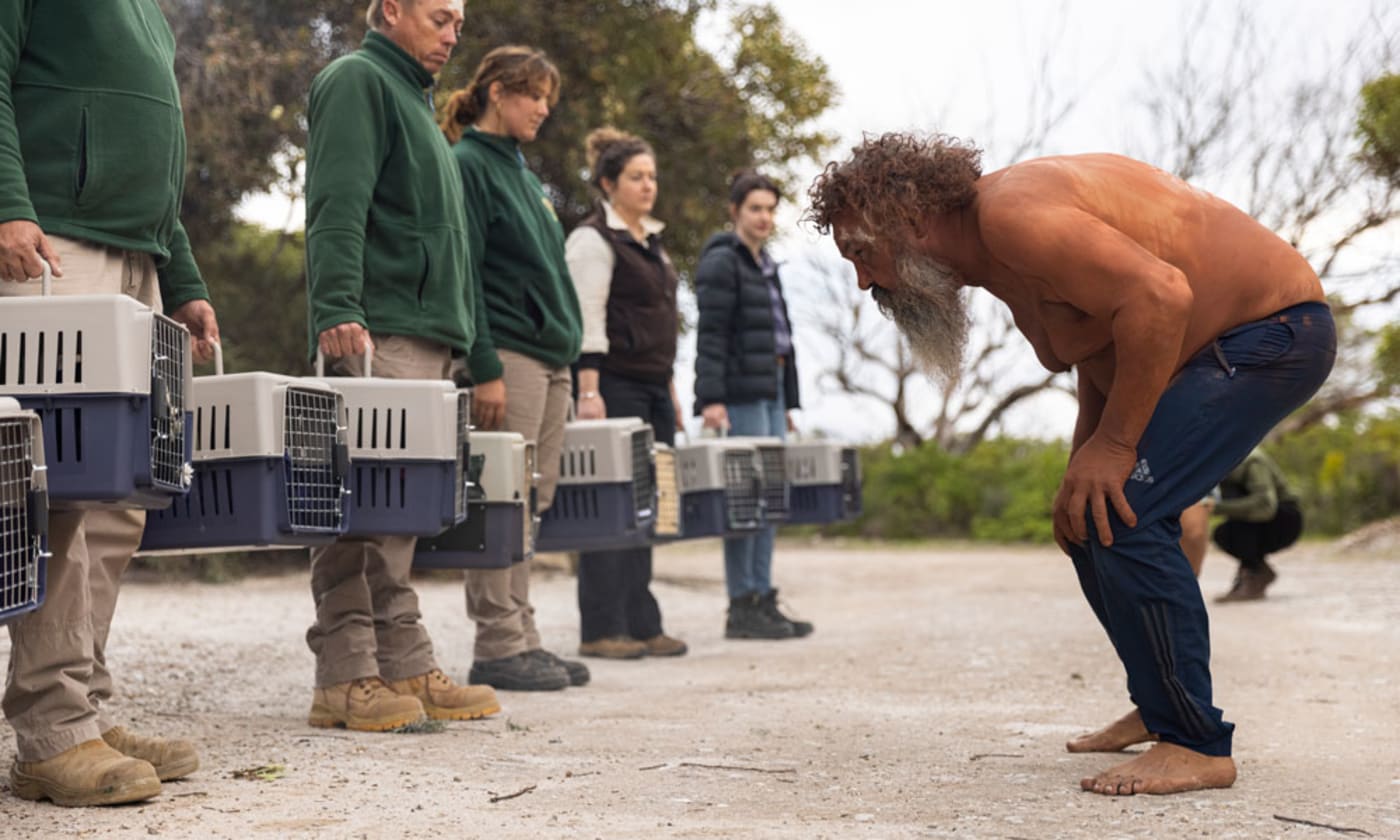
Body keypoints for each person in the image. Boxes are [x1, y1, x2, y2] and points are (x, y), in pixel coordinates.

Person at [808, 133, 1335, 796]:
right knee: (1091, 516)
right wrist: (1083, 461)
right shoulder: (997, 259)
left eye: (861, 251)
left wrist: (1114, 450)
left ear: (912, 221)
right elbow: (1105, 350)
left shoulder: (1011, 216)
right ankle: (1163, 704)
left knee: (1129, 512)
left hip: (1274, 332)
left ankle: (1195, 742)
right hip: (1222, 346)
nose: (862, 280)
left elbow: (1159, 298)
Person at [0, 0, 221, 807]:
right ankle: (52, 728)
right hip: (54, 244)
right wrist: (7, 203)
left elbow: (161, 164)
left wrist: (186, 284)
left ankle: (83, 705)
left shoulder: (148, 13)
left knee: (121, 497)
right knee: (52, 489)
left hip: (137, 256)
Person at [303, 0, 500, 733]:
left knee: (397, 514)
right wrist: (335, 308)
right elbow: (336, 202)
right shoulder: (357, 79)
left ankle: (403, 660)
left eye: (459, 23)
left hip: (427, 335)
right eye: (439, 17)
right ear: (390, 9)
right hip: (375, 329)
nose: (453, 35)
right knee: (352, 509)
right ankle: (345, 676)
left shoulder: (417, 106)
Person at [439, 46, 588, 691]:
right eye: (534, 95)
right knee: (500, 499)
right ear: (498, 92)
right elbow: (464, 271)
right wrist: (484, 364)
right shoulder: (470, 164)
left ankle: (523, 633)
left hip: (552, 357)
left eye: (548, 98)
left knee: (533, 499)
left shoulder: (521, 172)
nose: (544, 109)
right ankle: (497, 643)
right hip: (510, 354)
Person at [565, 128, 688, 660]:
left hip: (653, 385)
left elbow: (662, 324)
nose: (648, 185)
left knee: (650, 504)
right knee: (611, 505)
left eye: (652, 176)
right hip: (610, 383)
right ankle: (601, 626)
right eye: (636, 177)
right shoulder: (593, 239)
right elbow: (587, 315)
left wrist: (671, 390)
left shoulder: (652, 243)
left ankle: (642, 620)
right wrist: (588, 390)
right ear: (608, 183)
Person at [694, 171, 813, 641]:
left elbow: (782, 338)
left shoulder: (767, 265)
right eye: (755, 209)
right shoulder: (723, 262)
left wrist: (789, 402)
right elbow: (712, 335)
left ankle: (763, 598)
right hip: (738, 395)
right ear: (736, 212)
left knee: (771, 500)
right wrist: (712, 399)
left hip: (773, 390)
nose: (764, 217)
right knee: (745, 502)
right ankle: (741, 603)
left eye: (769, 209)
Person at [1211, 448, 1302, 602]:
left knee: (1240, 519)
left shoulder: (1251, 459)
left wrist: (1216, 508)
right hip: (1261, 521)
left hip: (1285, 520)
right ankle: (1257, 570)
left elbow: (1264, 506)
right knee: (1222, 533)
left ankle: (1253, 573)